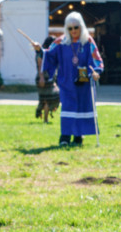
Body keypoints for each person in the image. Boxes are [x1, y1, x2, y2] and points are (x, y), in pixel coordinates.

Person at [43, 12, 102, 147]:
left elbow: (96, 59)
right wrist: (39, 51)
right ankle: (64, 137)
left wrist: (96, 72)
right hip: (66, 82)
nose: (73, 31)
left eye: (76, 27)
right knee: (68, 108)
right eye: (70, 28)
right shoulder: (60, 42)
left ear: (81, 27)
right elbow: (49, 54)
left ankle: (78, 137)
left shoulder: (88, 41)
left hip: (84, 82)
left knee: (81, 107)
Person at [33, 35, 60, 123]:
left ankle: (43, 116)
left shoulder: (47, 53)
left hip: (46, 78)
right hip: (44, 77)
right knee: (49, 99)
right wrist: (41, 78)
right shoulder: (42, 53)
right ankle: (45, 119)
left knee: (46, 99)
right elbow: (40, 66)